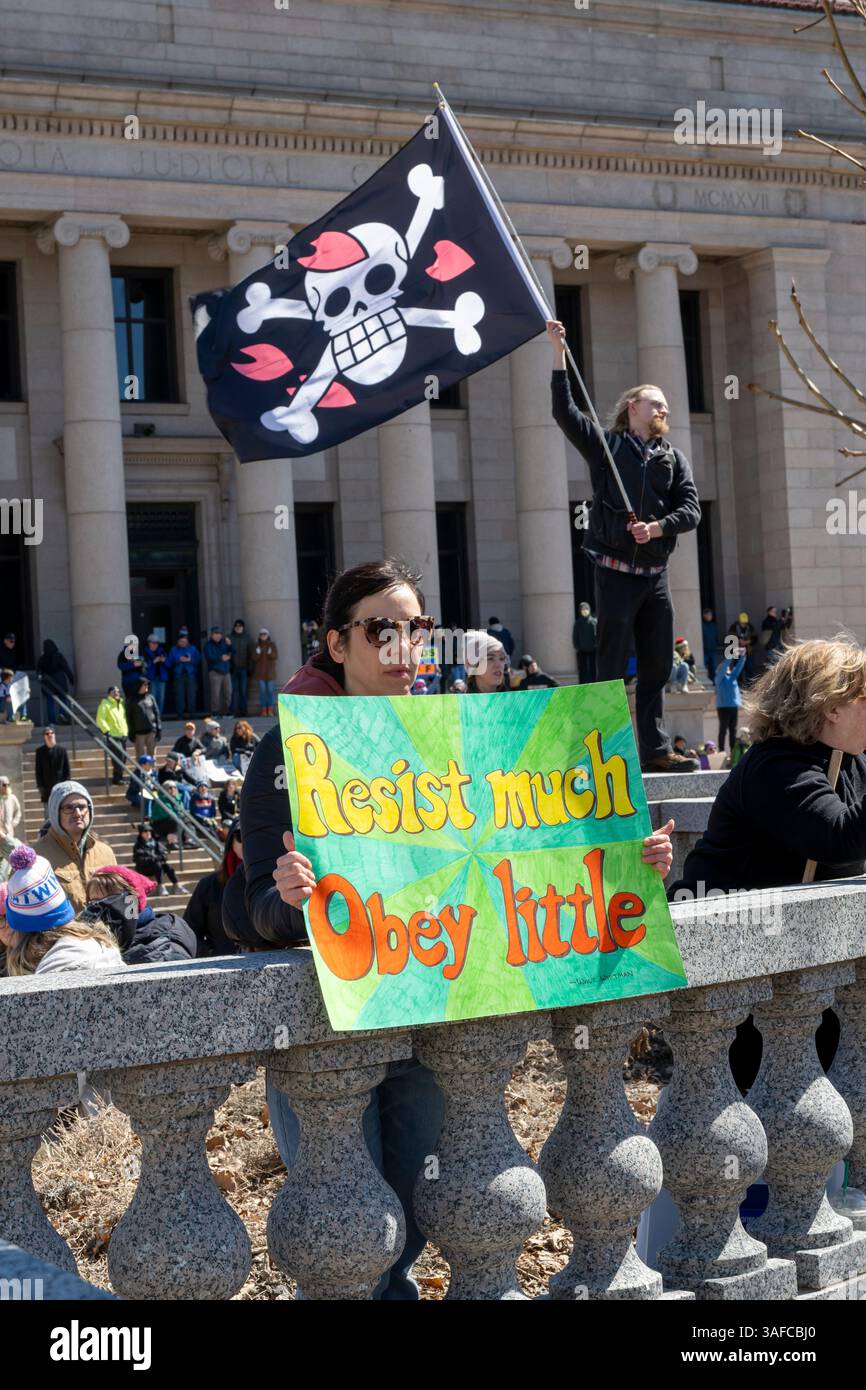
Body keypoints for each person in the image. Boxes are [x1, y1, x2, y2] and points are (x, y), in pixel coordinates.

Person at [241, 557, 677, 1297]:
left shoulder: (459, 739)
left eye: (418, 629)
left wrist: (622, 865)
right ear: (337, 644)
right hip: (327, 1031)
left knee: (409, 1221)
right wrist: (288, 895)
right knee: (348, 1235)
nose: (404, 648)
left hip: (431, 1019)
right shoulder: (287, 750)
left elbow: (525, 852)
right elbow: (246, 911)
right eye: (381, 629)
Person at [668, 637, 866, 1088]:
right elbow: (838, 837)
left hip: (805, 958)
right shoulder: (776, 766)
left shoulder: (850, 759)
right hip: (740, 965)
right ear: (831, 707)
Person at [547, 320, 701, 773]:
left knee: (656, 665)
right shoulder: (607, 445)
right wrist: (558, 355)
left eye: (667, 407)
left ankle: (654, 751)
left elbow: (691, 511)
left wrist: (656, 529)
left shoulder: (672, 458)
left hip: (654, 576)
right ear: (633, 406)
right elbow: (565, 413)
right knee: (610, 667)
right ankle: (600, 751)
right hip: (614, 570)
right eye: (657, 404)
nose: (664, 410)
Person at [0, 845, 121, 977]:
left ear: (19, 927)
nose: (6, 927)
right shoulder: (102, 945)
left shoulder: (48, 973)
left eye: (6, 919)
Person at [83, 868, 196, 963]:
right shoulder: (102, 937)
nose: (99, 907)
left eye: (110, 900)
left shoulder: (164, 945)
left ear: (133, 901)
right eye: (94, 902)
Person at [36, 780, 115, 913]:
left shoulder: (105, 852)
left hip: (105, 932)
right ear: (55, 812)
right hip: (61, 933)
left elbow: (121, 898)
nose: (78, 813)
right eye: (69, 808)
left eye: (82, 807)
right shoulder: (36, 857)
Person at [184, 819, 243, 957]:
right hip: (221, 969)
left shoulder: (274, 882)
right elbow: (189, 932)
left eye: (252, 836)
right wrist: (211, 954)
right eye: (240, 836)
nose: (247, 842)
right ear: (231, 843)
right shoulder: (208, 886)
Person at [132, 822, 183, 896]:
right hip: (144, 868)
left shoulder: (156, 843)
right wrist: (154, 859)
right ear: (141, 834)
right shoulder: (138, 845)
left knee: (167, 866)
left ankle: (177, 886)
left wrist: (160, 858)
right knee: (158, 864)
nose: (148, 833)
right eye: (145, 831)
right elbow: (139, 860)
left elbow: (163, 855)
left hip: (157, 866)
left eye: (149, 831)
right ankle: (161, 887)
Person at [95, 685, 128, 785]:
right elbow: (100, 719)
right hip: (112, 736)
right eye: (114, 692)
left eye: (118, 691)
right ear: (109, 693)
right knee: (119, 757)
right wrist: (106, 731)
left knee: (123, 758)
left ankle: (118, 777)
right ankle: (117, 778)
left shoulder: (121, 704)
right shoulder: (105, 704)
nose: (117, 693)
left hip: (122, 735)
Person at [715, 647, 746, 754]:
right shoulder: (718, 678)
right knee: (723, 730)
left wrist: (743, 656)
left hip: (733, 706)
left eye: (728, 667)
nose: (728, 668)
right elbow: (723, 667)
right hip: (723, 707)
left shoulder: (732, 677)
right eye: (726, 668)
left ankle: (733, 751)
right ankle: (721, 750)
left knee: (733, 730)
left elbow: (738, 668)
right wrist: (730, 656)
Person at [36, 638, 74, 724]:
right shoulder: (59, 656)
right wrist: (71, 678)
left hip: (48, 683)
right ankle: (62, 714)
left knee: (50, 702)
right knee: (63, 699)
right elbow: (65, 667)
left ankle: (52, 721)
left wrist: (40, 677)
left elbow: (38, 670)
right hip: (60, 681)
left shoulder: (42, 658)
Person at [167, 627, 201, 719]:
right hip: (178, 676)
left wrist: (190, 660)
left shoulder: (193, 648)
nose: (183, 643)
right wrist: (178, 660)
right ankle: (180, 715)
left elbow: (198, 660)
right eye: (181, 641)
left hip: (190, 675)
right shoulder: (173, 649)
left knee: (191, 696)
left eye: (184, 641)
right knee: (179, 696)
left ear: (187, 641)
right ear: (178, 641)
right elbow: (168, 663)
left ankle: (192, 715)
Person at [127, 676, 162, 760]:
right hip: (139, 733)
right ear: (139, 686)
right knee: (140, 756)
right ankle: (141, 772)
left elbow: (157, 713)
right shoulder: (131, 700)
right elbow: (129, 717)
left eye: (147, 685)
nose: (147, 686)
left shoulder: (151, 697)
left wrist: (159, 729)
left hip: (151, 730)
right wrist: (131, 731)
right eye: (144, 685)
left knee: (152, 754)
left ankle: (152, 772)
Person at [34, 726, 70, 806]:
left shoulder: (62, 751)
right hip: (47, 790)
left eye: (52, 733)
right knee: (48, 814)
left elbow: (66, 770)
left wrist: (66, 785)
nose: (50, 735)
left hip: (61, 788)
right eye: (47, 734)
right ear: (44, 736)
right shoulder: (40, 752)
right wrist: (40, 786)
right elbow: (38, 771)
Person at [203, 625, 233, 716]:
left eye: (219, 633)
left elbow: (233, 652)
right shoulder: (208, 645)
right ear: (212, 635)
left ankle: (226, 711)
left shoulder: (224, 643)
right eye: (216, 633)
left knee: (228, 692)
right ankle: (215, 712)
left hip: (226, 671)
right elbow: (209, 657)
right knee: (215, 693)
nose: (218, 635)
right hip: (215, 671)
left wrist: (230, 645)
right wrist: (221, 658)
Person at [252, 628, 278, 716]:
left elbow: (275, 656)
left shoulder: (272, 645)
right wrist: (258, 653)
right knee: (262, 692)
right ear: (259, 636)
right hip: (260, 674)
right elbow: (254, 658)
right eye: (261, 634)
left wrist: (270, 653)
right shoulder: (257, 645)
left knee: (270, 691)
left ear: (268, 635)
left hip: (270, 673)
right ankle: (263, 710)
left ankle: (270, 710)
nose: (263, 636)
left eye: (265, 634)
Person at [142, 634, 169, 719]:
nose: (155, 645)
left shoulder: (162, 652)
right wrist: (153, 661)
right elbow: (143, 666)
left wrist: (164, 661)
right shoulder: (144, 652)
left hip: (161, 678)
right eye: (153, 643)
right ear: (149, 643)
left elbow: (169, 665)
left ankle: (159, 717)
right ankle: (152, 718)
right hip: (151, 679)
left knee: (161, 699)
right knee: (152, 699)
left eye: (157, 643)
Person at [229, 619, 252, 717]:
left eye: (240, 626)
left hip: (244, 669)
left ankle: (244, 712)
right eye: (236, 626)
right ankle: (233, 712)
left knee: (243, 691)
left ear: (243, 627)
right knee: (233, 691)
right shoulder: (229, 638)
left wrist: (250, 669)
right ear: (234, 627)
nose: (238, 628)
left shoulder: (248, 638)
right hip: (233, 669)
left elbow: (251, 655)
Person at [572, 601, 597, 685]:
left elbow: (597, 635)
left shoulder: (594, 621)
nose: (585, 611)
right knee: (583, 669)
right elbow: (575, 636)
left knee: (593, 668)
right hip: (582, 650)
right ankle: (582, 684)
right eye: (583, 609)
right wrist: (577, 646)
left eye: (586, 609)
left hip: (593, 650)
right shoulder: (578, 623)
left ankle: (594, 683)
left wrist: (596, 645)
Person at [728, 611, 757, 681]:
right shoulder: (734, 627)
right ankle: (739, 684)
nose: (743, 624)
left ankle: (750, 684)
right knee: (737, 668)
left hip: (748, 651)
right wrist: (738, 641)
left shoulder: (750, 627)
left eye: (745, 623)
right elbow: (730, 637)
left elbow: (755, 638)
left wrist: (748, 641)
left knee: (749, 668)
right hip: (737, 651)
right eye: (742, 623)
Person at [0, 774, 22, 841]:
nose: (6, 786)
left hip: (9, 832)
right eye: (4, 785)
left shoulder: (12, 798)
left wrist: (13, 824)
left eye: (8, 784)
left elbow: (18, 812)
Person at [701, 607, 718, 684]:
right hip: (704, 651)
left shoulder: (713, 625)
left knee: (713, 669)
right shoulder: (701, 626)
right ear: (704, 615)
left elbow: (715, 636)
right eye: (708, 615)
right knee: (703, 668)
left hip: (713, 650)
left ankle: (714, 685)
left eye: (711, 615)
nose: (710, 616)